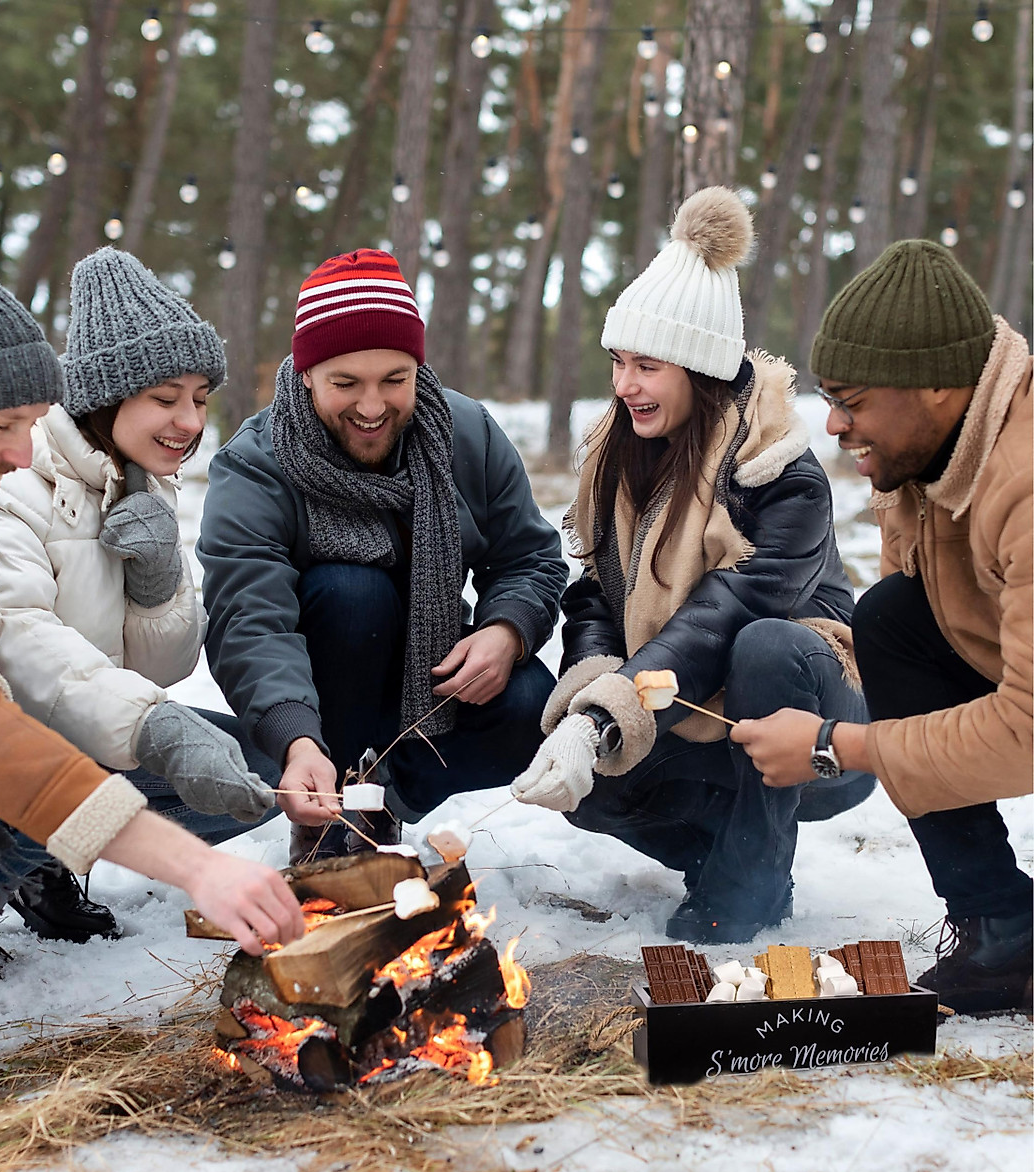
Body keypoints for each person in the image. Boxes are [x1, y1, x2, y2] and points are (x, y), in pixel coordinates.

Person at [0, 262, 305, 1125]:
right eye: (4, 425)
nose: (19, 451)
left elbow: (118, 666)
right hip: (2, 722)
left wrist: (160, 583)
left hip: (66, 728)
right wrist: (195, 865)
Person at [511, 187, 873, 943]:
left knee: (765, 645)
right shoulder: (623, 457)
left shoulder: (784, 478)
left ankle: (753, 881)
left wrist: (611, 711)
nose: (623, 385)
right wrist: (588, 700)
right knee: (588, 783)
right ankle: (728, 853)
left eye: (646, 365)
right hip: (689, 711)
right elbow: (596, 596)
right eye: (618, 361)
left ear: (701, 370)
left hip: (819, 728)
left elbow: (728, 614)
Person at [0, 248, 333, 964]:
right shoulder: (13, 479)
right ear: (107, 395)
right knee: (175, 747)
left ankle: (40, 866)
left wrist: (158, 581)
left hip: (78, 736)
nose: (189, 420)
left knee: (258, 753)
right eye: (166, 398)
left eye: (200, 398)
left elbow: (159, 667)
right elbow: (21, 641)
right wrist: (161, 732)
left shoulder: (141, 484)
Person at [733, 240, 1032, 1013]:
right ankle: (1003, 928)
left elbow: (1029, 730)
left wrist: (837, 746)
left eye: (852, 399)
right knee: (894, 619)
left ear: (937, 385)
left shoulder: (1026, 484)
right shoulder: (942, 441)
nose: (833, 423)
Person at [198, 248, 567, 861]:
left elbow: (530, 557)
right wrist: (294, 738)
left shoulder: (466, 434)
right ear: (307, 372)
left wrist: (506, 629)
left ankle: (382, 802)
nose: (372, 407)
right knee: (352, 592)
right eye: (346, 383)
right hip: (321, 677)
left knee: (531, 703)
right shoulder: (256, 462)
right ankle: (324, 813)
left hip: (429, 671)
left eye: (394, 380)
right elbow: (250, 619)